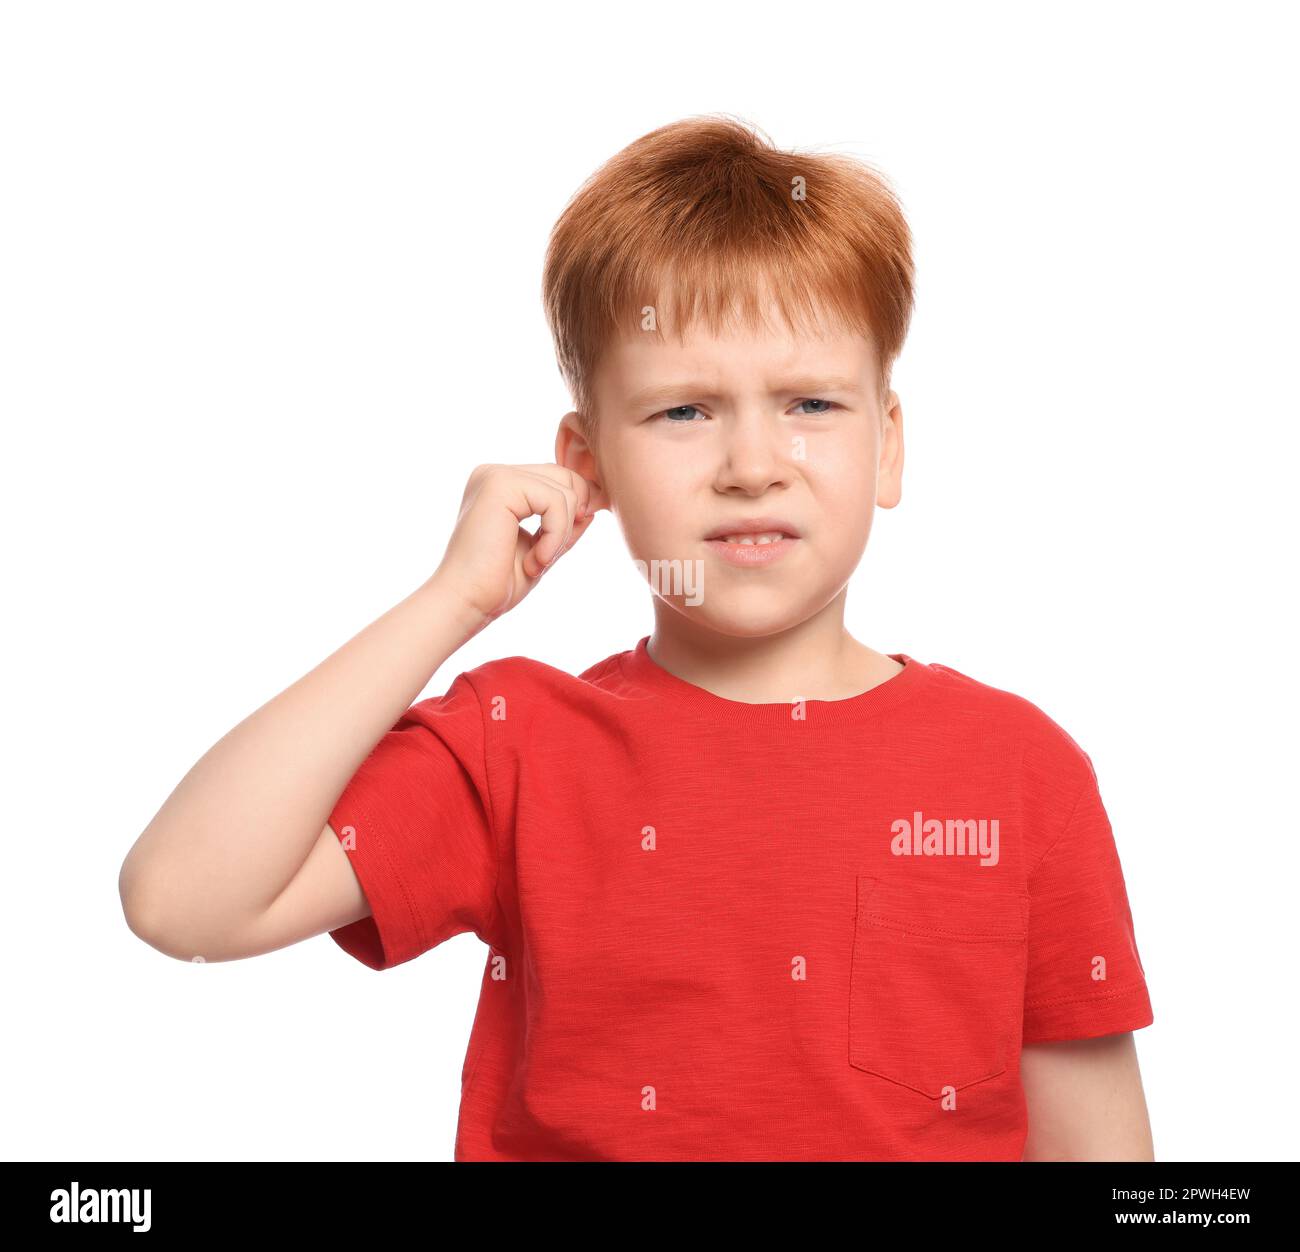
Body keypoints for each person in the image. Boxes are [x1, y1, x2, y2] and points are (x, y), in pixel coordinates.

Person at [119, 114, 1155, 1162]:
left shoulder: (1021, 771)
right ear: (588, 465)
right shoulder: (518, 744)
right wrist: (451, 601)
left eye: (809, 403)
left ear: (887, 447)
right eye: (683, 413)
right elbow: (181, 903)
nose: (753, 464)